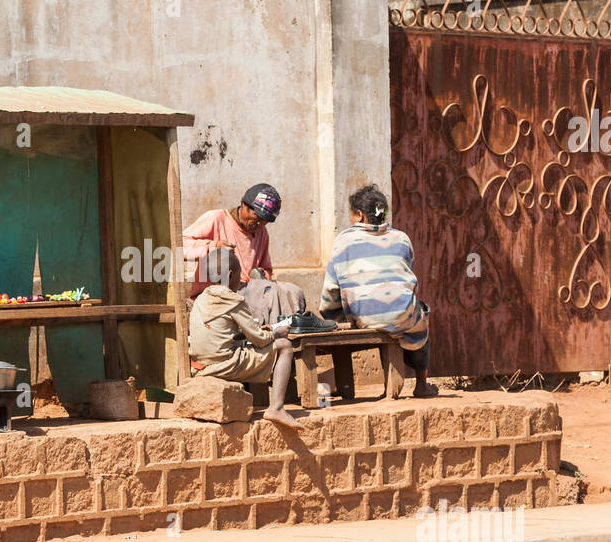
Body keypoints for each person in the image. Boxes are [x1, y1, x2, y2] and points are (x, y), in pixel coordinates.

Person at [319, 184, 438, 398]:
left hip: (364, 317)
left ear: (361, 215)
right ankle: (422, 384)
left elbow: (331, 289)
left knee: (380, 311)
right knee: (420, 313)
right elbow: (407, 279)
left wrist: (330, 316)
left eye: (353, 215)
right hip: (402, 315)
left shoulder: (343, 240)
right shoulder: (401, 238)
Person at [187, 248, 303, 428]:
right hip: (224, 365)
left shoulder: (202, 298)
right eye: (240, 274)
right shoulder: (233, 300)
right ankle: (277, 407)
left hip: (199, 367)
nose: (241, 280)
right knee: (285, 346)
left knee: (250, 344)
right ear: (231, 274)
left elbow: (220, 335)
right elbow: (260, 340)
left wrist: (257, 332)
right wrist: (275, 332)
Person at [182, 183, 301, 308]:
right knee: (271, 297)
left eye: (264, 221)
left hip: (247, 294)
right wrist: (213, 246)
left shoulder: (262, 232)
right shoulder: (216, 218)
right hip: (213, 295)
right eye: (256, 217)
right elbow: (180, 246)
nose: (259, 224)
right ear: (244, 205)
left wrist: (262, 274)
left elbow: (266, 269)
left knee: (293, 292)